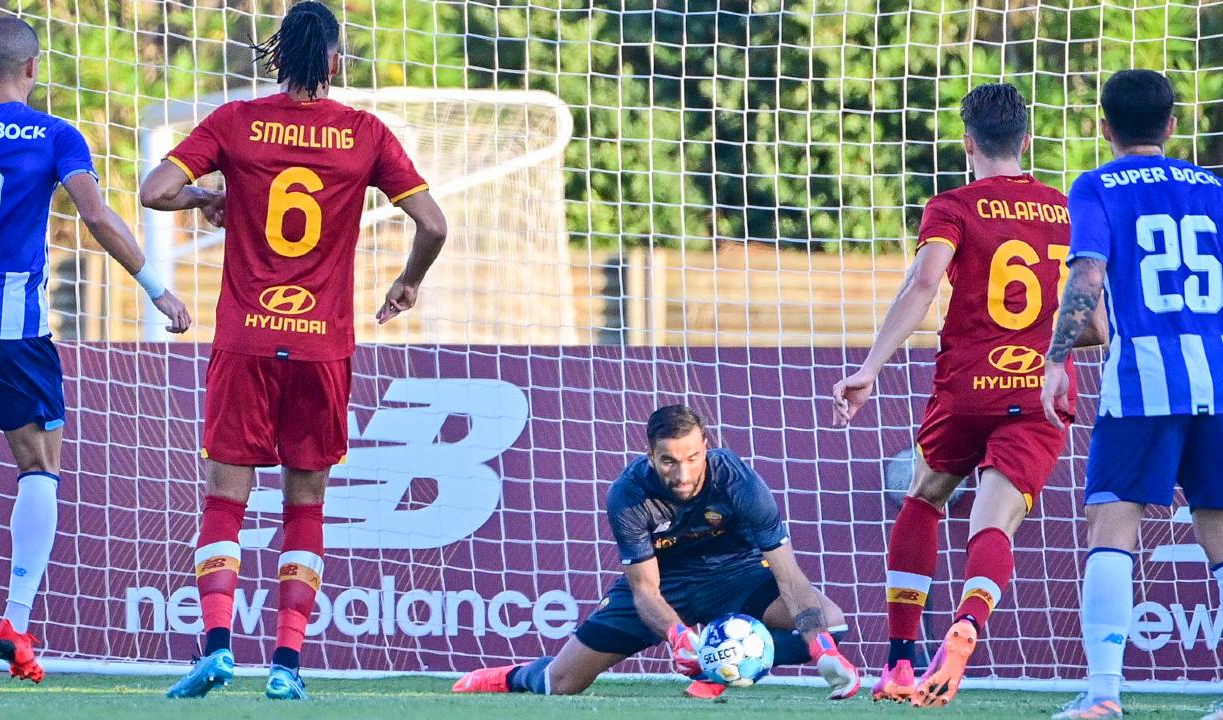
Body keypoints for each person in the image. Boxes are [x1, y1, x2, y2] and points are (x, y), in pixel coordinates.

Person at [139, 0, 446, 701]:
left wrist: (206, 198)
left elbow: (155, 189)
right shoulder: (365, 133)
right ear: (335, 60)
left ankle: (217, 643)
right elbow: (433, 222)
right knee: (304, 503)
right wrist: (408, 282)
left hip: (245, 339)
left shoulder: (237, 123)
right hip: (321, 347)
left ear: (279, 58)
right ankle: (287, 664)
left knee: (226, 497)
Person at [833, 83, 1100, 707]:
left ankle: (900, 662)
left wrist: (869, 369)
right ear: (1027, 141)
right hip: (1039, 388)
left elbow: (925, 283)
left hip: (966, 385)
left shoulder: (951, 205)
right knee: (993, 522)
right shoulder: (1066, 211)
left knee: (924, 498)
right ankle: (968, 625)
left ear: (968, 142)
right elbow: (1095, 324)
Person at [0, 17, 190, 683]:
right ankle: (15, 625)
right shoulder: (56, 135)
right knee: (38, 468)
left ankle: (14, 626)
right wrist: (157, 289)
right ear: (31, 68)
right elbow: (99, 218)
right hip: (17, 332)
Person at [451, 405, 859, 700]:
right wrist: (677, 635)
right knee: (561, 684)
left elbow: (789, 576)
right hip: (664, 587)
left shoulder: (740, 482)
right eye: (668, 461)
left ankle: (721, 670)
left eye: (692, 458)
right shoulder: (628, 495)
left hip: (734, 577)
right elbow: (646, 591)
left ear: (706, 447)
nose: (682, 474)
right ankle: (511, 676)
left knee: (831, 625)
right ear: (650, 456)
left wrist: (821, 647)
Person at [1042, 69, 1223, 720]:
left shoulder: (1096, 185)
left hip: (1143, 381)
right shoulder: (1214, 188)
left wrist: (1058, 357)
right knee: (1220, 534)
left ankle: (1104, 694)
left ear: (1103, 124)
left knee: (1113, 524)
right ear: (1173, 124)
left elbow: (1088, 273)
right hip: (1217, 377)